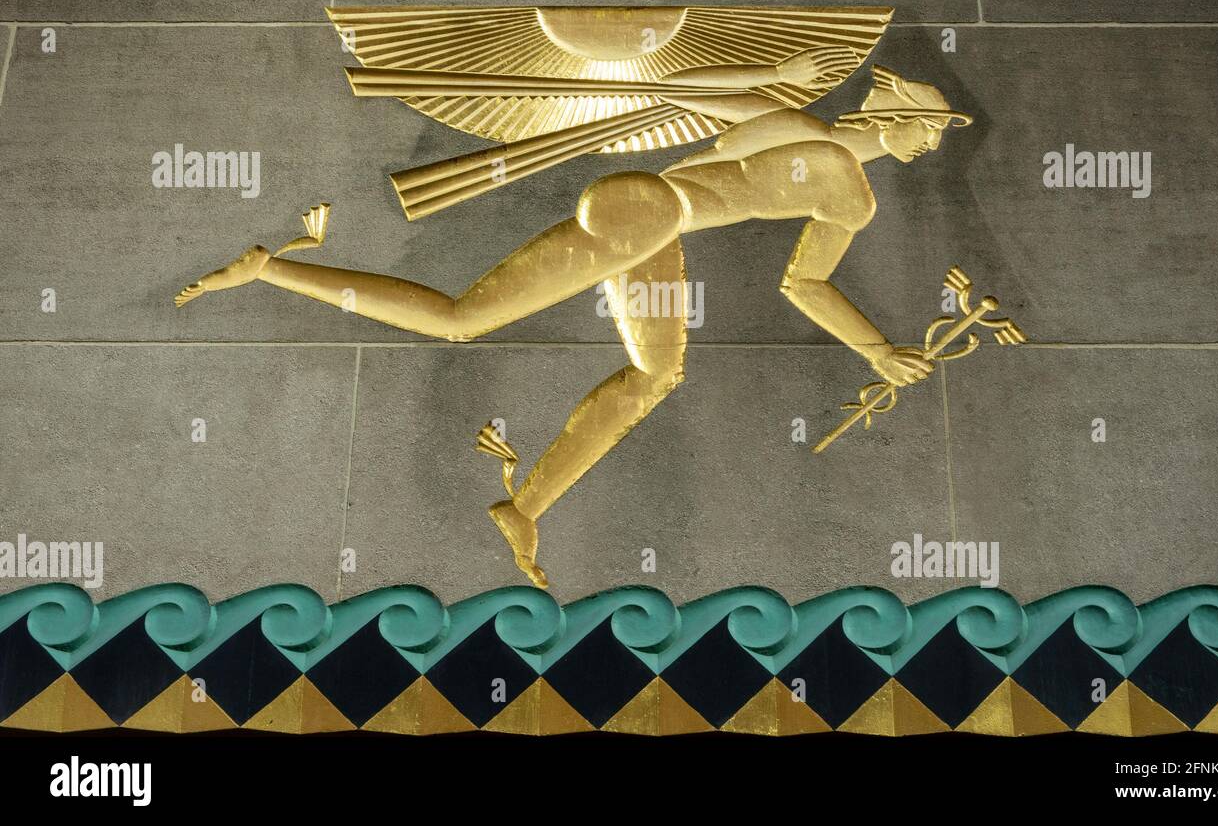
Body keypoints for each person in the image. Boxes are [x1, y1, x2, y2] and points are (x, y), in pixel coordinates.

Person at [175, 54, 971, 588]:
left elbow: (680, 89)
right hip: (646, 215)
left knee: (658, 373)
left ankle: (521, 508)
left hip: (649, 219)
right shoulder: (847, 187)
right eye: (930, 128)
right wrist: (876, 352)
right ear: (889, 116)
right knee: (461, 321)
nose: (933, 145)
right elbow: (805, 283)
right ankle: (270, 267)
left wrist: (774, 73)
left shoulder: (792, 121)